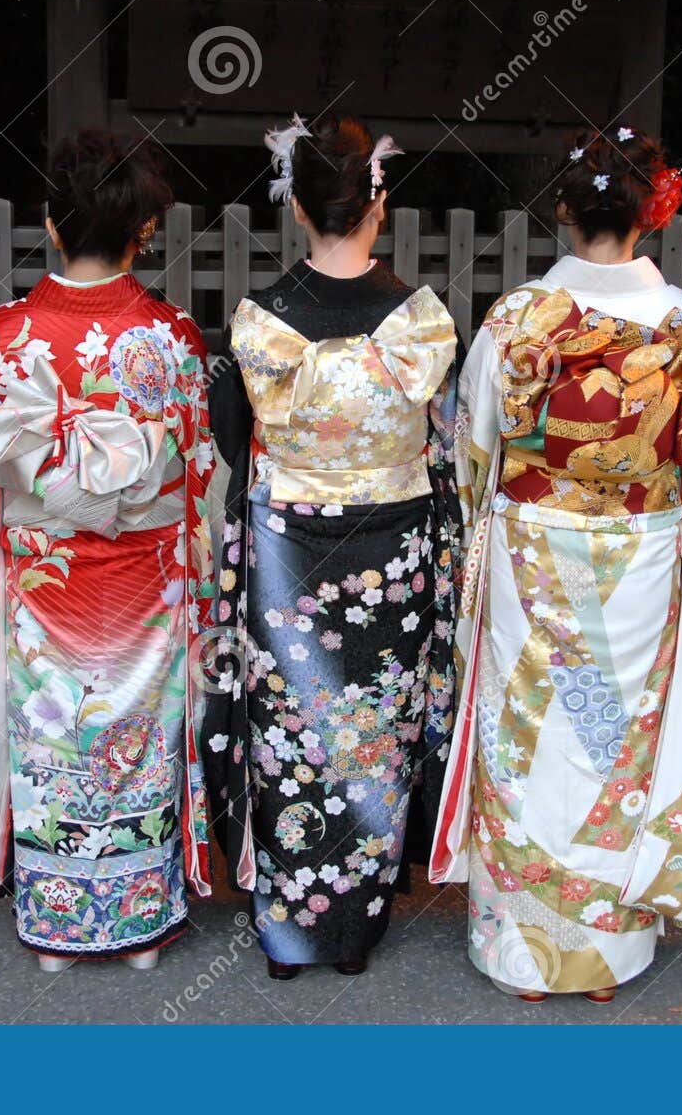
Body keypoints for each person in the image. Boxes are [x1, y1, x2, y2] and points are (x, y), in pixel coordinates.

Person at [428, 127, 682, 1003]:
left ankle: (523, 952)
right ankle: (607, 954)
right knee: (620, 744)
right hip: (643, 555)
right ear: (653, 210)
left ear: (562, 208)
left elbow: (472, 452)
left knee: (527, 733)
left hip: (532, 549)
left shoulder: (516, 321)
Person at [203, 112, 461, 980]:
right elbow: (444, 442)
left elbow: (236, 443)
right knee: (372, 733)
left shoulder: (261, 321)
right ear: (376, 205)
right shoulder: (420, 321)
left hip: (289, 554)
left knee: (292, 732)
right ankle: (355, 929)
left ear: (297, 208)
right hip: (391, 553)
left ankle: (289, 932)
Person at [0, 129, 216, 971]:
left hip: (46, 577)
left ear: (50, 221)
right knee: (138, 732)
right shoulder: (173, 337)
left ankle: (59, 926)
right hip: (145, 580)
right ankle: (141, 918)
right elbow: (199, 470)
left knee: (54, 735)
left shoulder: (9, 334)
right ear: (142, 229)